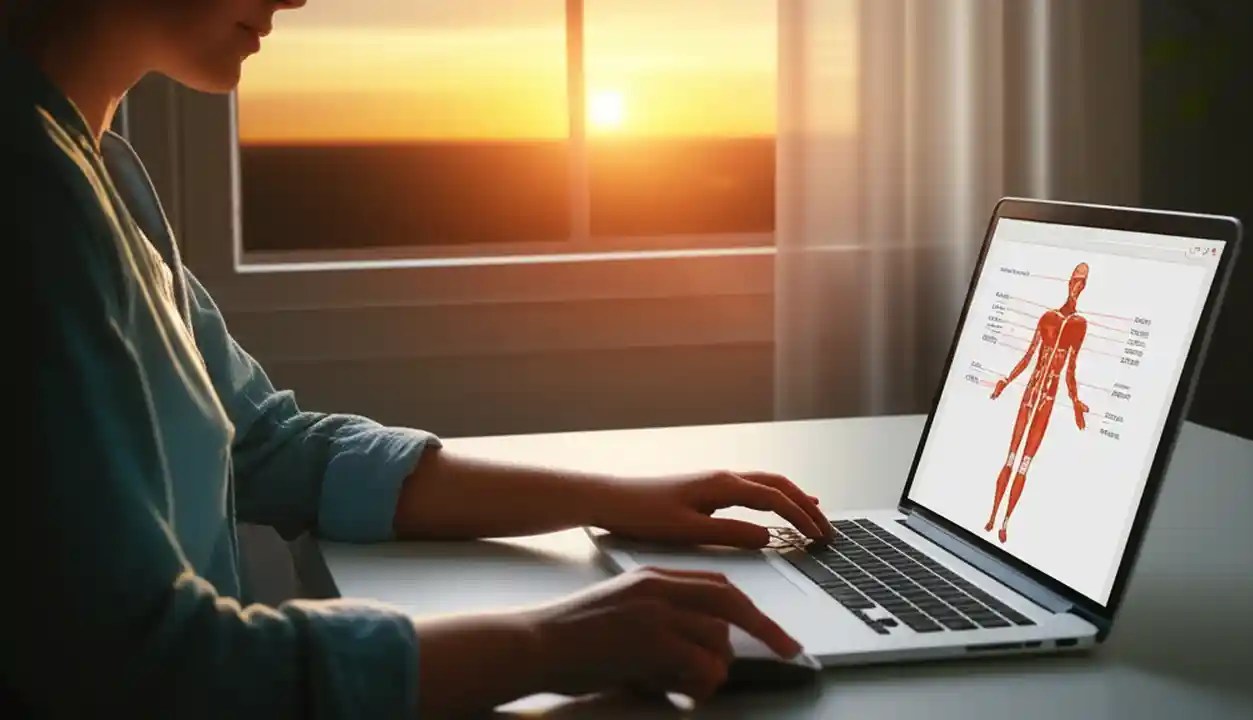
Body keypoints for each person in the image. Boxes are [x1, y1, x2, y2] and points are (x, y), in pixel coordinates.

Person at [8, 1, 834, 717]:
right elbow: (147, 674)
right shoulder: (32, 204)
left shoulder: (95, 167)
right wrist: (553, 642)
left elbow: (270, 446)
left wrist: (620, 498)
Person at [984, 262, 1091, 543]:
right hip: (1030, 396)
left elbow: (1070, 371)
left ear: (1085, 287)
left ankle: (1005, 522)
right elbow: (1030, 354)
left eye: (1082, 283)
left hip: (1047, 401)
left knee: (1024, 464)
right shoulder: (1048, 318)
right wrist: (1006, 381)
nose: (1077, 286)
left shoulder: (1080, 325)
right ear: (1068, 281)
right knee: (1010, 456)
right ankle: (993, 515)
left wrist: (1076, 401)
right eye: (1075, 280)